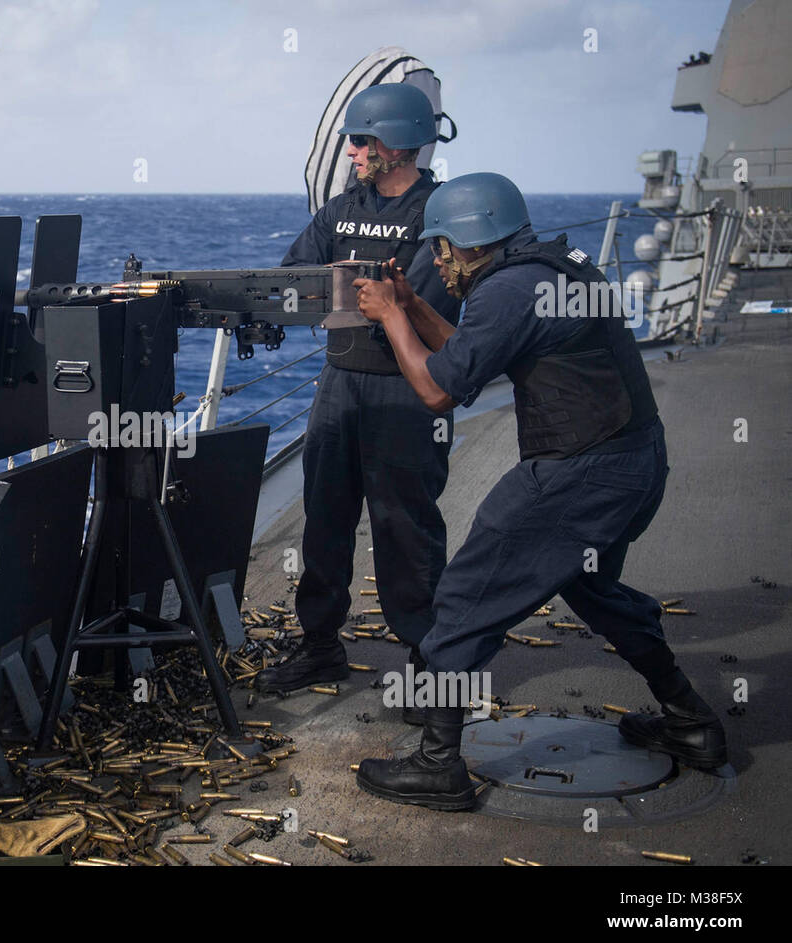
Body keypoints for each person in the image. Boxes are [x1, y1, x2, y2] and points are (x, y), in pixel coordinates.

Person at [350, 172, 728, 810]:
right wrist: (414, 307)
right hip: (636, 461)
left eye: (442, 249)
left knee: (465, 598)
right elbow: (473, 356)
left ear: (471, 242)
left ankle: (439, 764)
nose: (440, 262)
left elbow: (439, 390)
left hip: (578, 472)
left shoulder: (509, 289)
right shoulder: (554, 268)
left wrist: (388, 316)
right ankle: (689, 721)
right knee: (592, 587)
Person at [257, 83, 460, 710]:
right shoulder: (342, 211)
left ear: (395, 145)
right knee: (325, 516)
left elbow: (409, 305)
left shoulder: (439, 214)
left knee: (407, 527)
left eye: (360, 140)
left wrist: (353, 299)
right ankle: (320, 641)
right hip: (340, 386)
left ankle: (429, 659)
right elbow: (297, 277)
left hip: (407, 391)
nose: (351, 152)